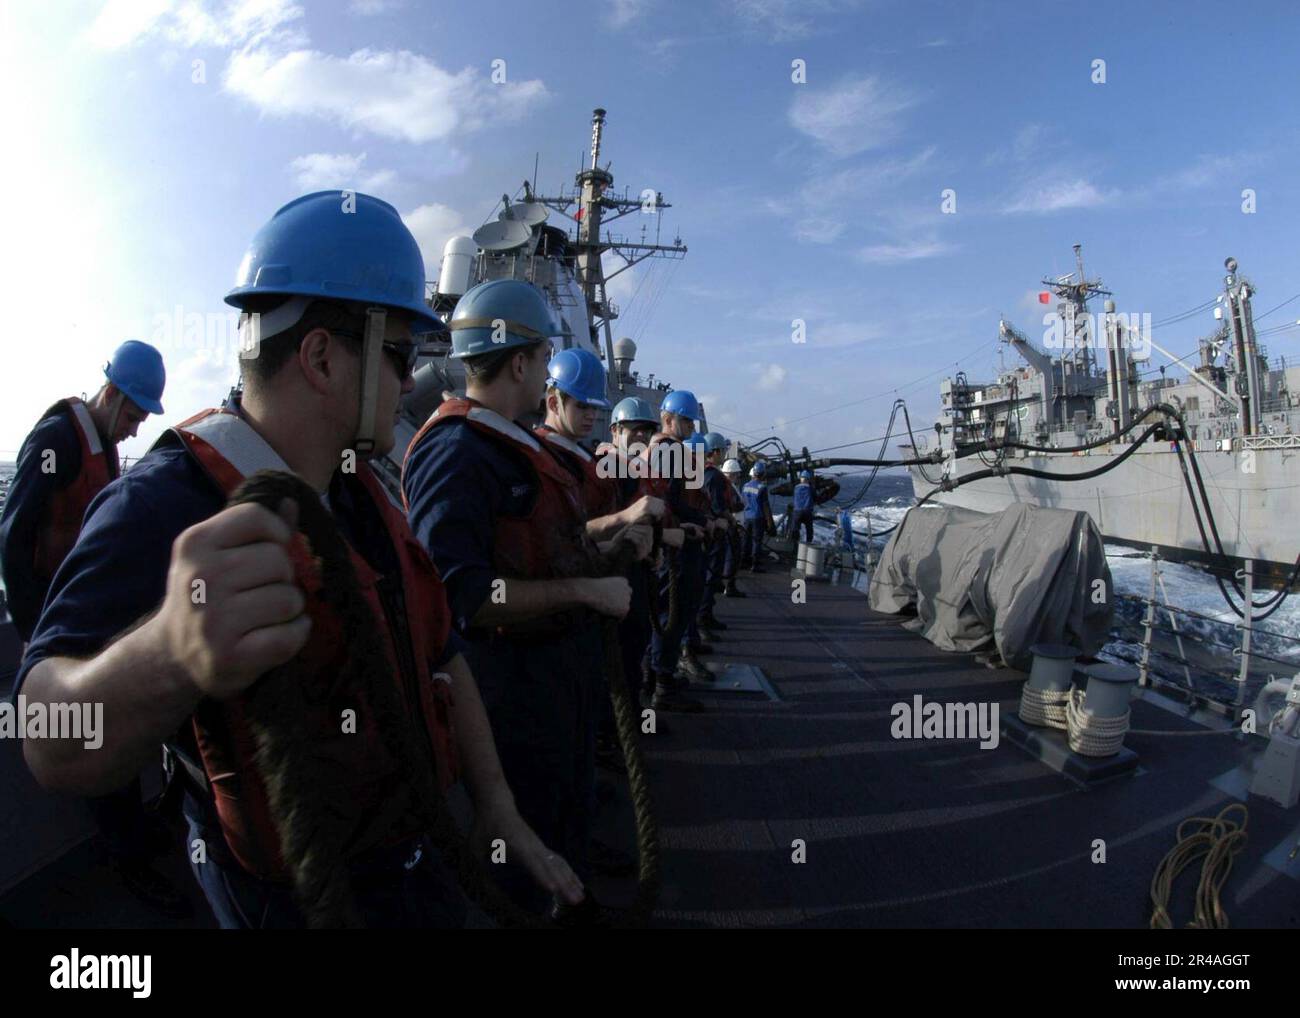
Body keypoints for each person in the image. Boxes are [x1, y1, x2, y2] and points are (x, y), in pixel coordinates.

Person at [17, 191, 580, 928]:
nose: (411, 382)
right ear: (320, 356)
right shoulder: (168, 500)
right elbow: (46, 738)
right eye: (399, 355)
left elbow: (444, 651)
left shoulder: (360, 489)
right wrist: (169, 652)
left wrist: (497, 807)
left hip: (413, 871)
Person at [401, 278, 636, 918]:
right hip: (513, 692)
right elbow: (463, 598)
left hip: (556, 679)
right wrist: (588, 589)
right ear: (522, 361)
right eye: (542, 361)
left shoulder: (512, 442)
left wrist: (609, 550)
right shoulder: (457, 450)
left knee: (559, 811)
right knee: (515, 842)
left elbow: (547, 542)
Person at [0, 340, 185, 916]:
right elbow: (11, 535)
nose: (132, 430)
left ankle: (137, 834)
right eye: (131, 414)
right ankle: (123, 857)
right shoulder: (58, 438)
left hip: (94, 617)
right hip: (63, 628)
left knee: (120, 731)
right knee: (95, 741)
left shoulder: (100, 443)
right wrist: (35, 632)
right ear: (109, 393)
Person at [643, 390, 715, 709]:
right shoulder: (669, 449)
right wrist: (700, 521)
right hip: (676, 547)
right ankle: (664, 684)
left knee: (667, 611)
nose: (689, 426)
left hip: (671, 539)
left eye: (691, 421)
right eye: (686, 420)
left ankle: (654, 674)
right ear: (668, 418)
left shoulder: (661, 449)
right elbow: (670, 502)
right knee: (673, 612)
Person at [696, 432, 732, 633]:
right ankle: (704, 617)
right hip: (715, 533)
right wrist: (731, 520)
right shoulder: (716, 477)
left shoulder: (700, 473)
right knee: (711, 576)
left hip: (704, 531)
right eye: (723, 451)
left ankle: (703, 616)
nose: (724, 454)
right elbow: (718, 507)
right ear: (715, 452)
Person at [719, 457, 747, 598]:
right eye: (736, 474)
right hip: (733, 526)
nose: (738, 477)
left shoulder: (727, 485)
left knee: (730, 555)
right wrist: (743, 504)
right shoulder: (729, 486)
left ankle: (726, 584)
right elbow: (734, 505)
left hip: (732, 525)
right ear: (731, 474)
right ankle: (729, 586)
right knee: (733, 556)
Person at [741, 461, 774, 572]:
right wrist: (769, 523)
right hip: (757, 517)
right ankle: (755, 565)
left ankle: (743, 561)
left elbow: (743, 502)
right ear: (763, 473)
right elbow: (765, 507)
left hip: (747, 517)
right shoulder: (762, 488)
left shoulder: (745, 486)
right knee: (756, 541)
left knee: (746, 540)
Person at [786, 469, 815, 543]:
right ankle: (809, 544)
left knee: (795, 529)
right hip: (807, 511)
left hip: (797, 512)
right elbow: (815, 496)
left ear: (800, 478)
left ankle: (795, 545)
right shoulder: (810, 488)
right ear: (808, 479)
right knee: (809, 529)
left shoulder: (796, 488)